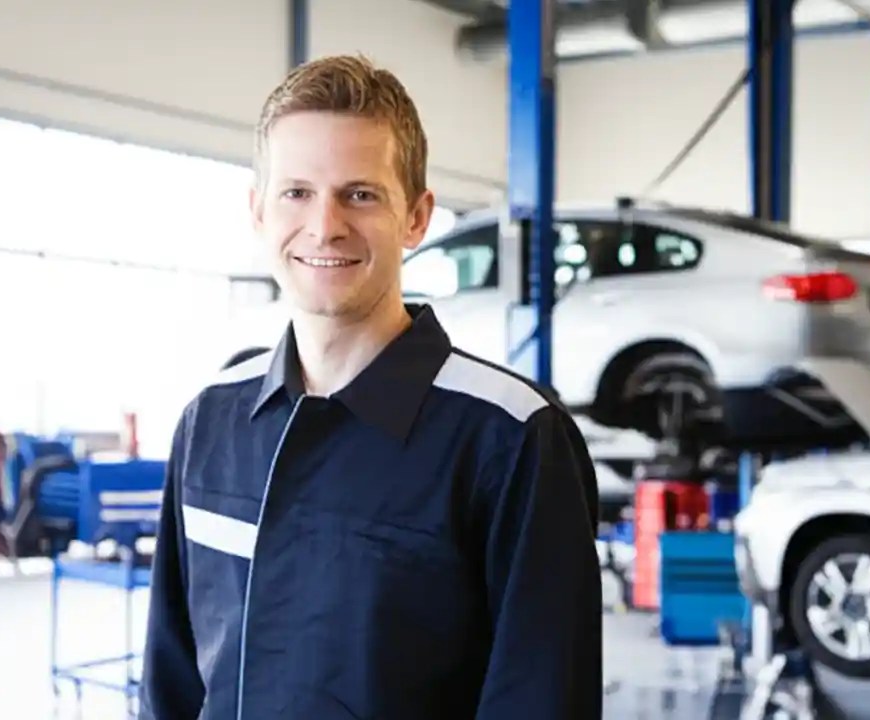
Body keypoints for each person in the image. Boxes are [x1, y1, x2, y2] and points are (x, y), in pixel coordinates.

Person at [138, 54, 601, 720]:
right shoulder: (210, 424)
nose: (325, 226)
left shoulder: (510, 441)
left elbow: (543, 700)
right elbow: (170, 686)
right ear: (258, 212)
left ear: (416, 217)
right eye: (296, 192)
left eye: (360, 193)